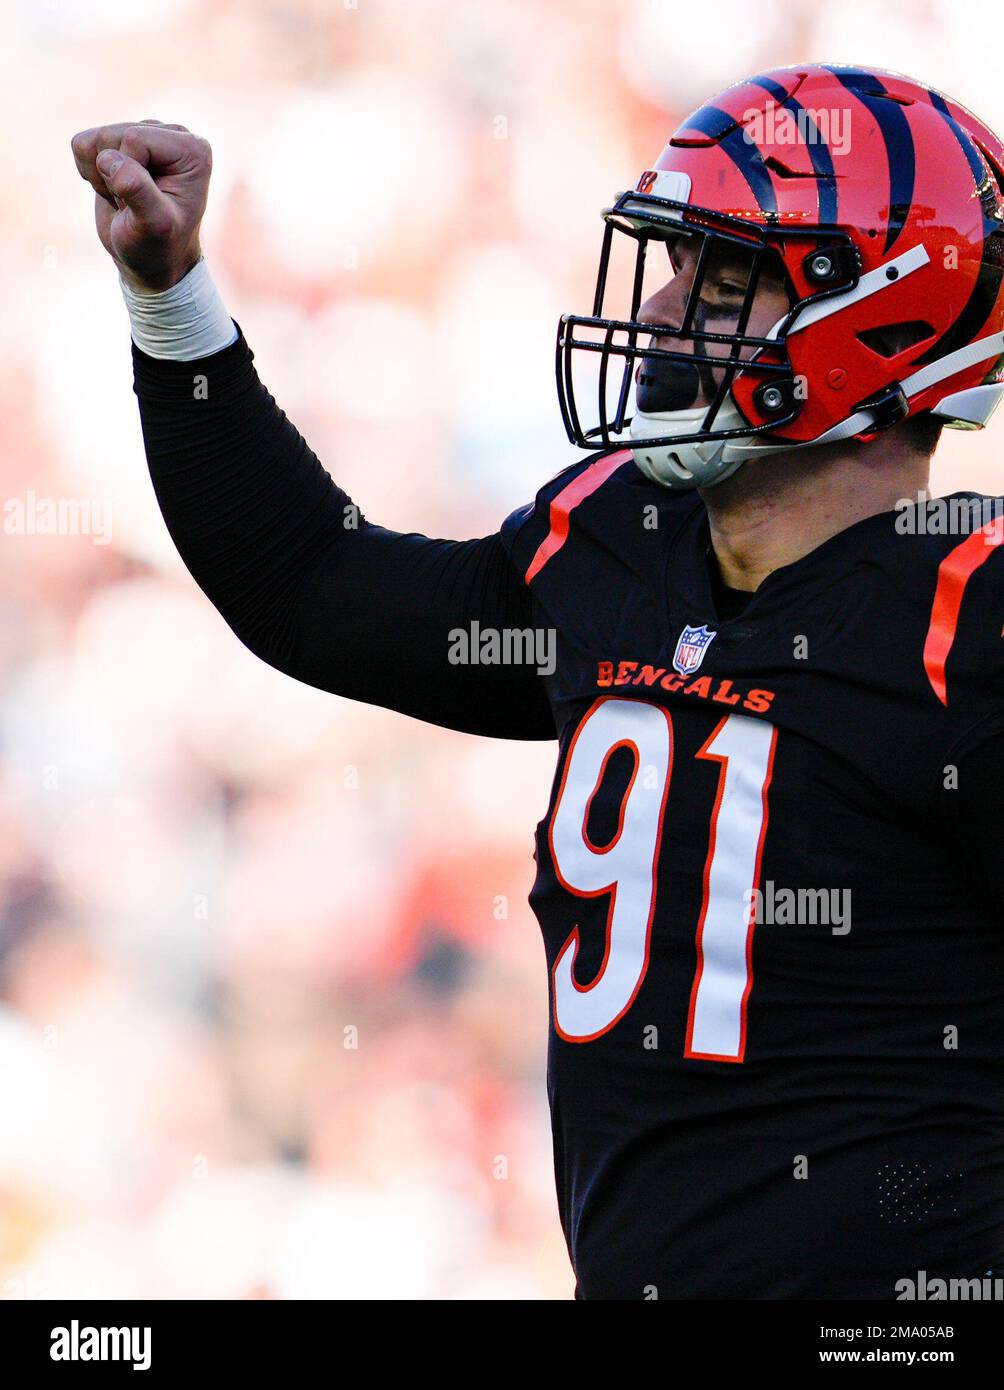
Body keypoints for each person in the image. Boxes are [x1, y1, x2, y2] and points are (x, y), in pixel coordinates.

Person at [72, 63, 1004, 1299]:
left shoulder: (962, 626)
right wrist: (170, 295)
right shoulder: (614, 547)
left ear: (869, 314)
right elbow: (308, 587)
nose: (666, 311)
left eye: (719, 277)